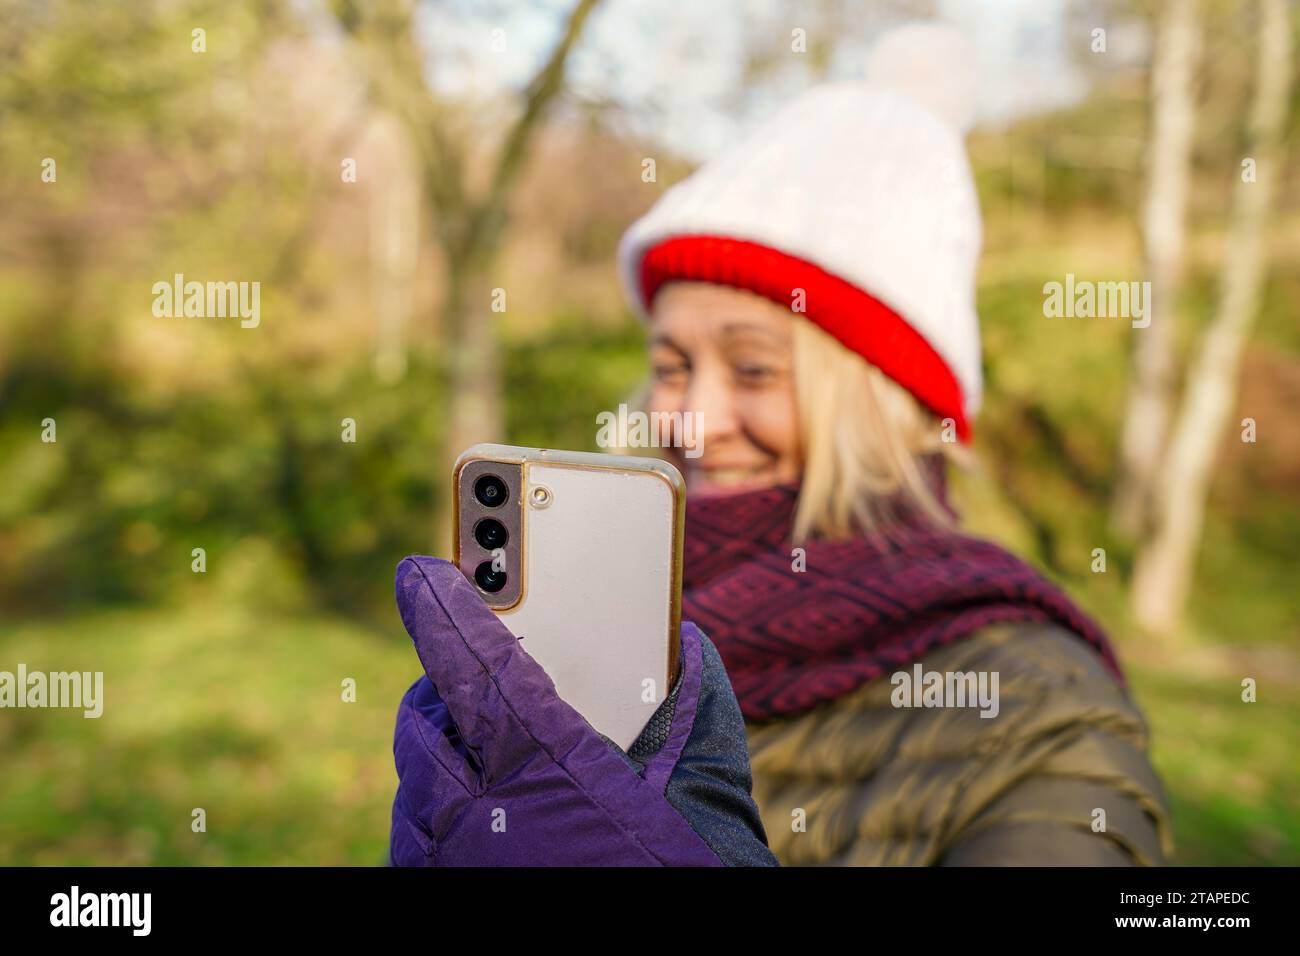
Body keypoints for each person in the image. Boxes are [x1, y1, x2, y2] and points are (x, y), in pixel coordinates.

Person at [388, 23, 1174, 867]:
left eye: (755, 369)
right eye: (672, 365)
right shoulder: (591, 646)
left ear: (885, 403)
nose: (696, 418)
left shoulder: (1042, 713)